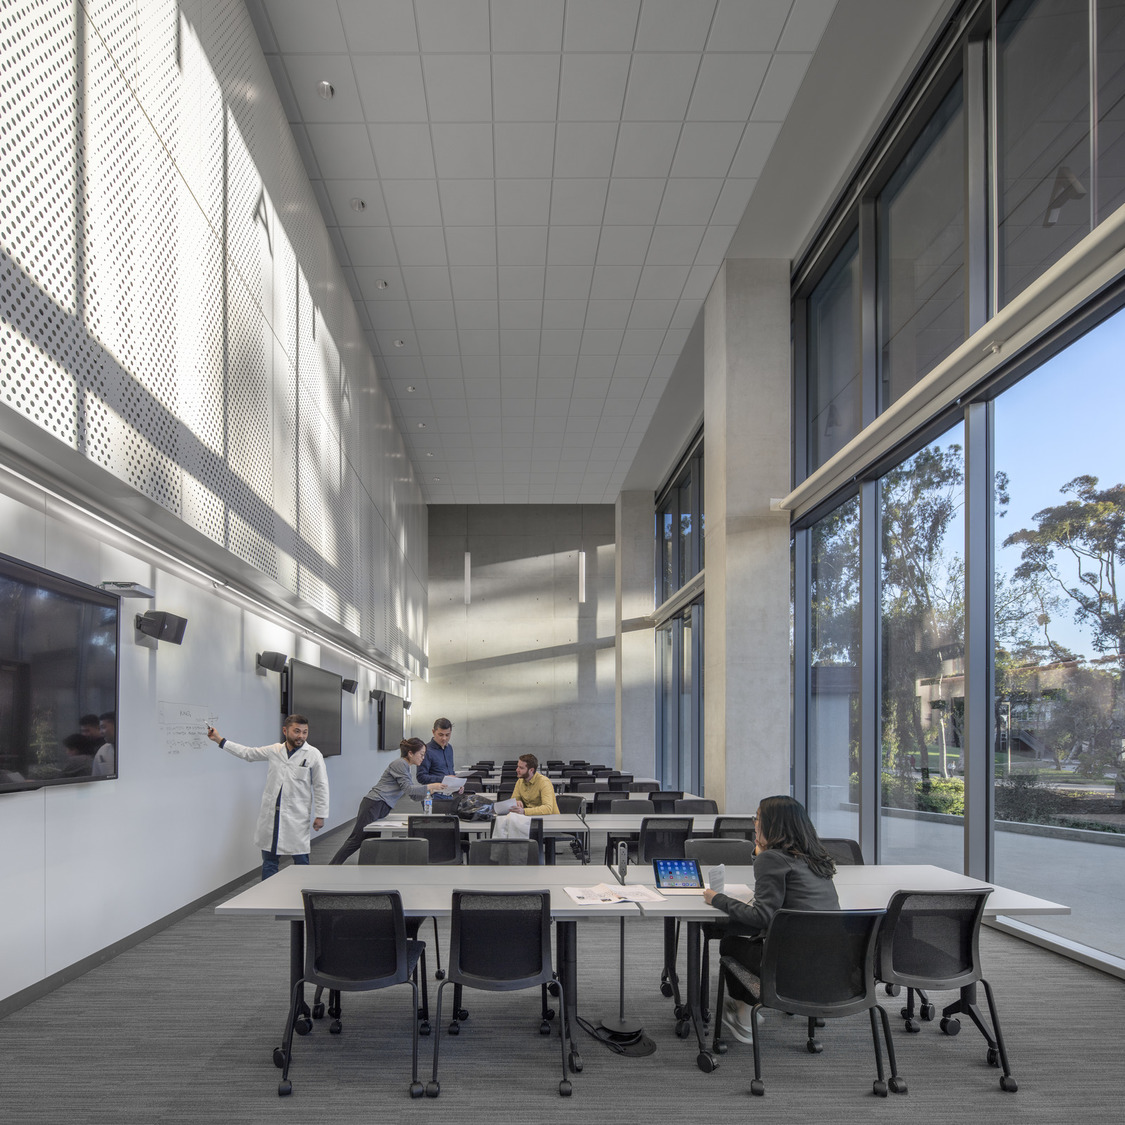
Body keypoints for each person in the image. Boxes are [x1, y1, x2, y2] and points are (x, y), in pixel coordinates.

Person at [702, 794, 839, 1044]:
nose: (754, 823)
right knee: (751, 939)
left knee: (731, 941)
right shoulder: (814, 857)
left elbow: (761, 916)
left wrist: (716, 899)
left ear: (774, 825)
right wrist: (760, 853)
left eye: (758, 818)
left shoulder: (772, 858)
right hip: (829, 965)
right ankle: (745, 1008)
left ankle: (743, 1015)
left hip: (788, 967)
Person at [207, 715, 329, 880]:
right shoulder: (274, 750)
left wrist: (320, 815)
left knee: (301, 861)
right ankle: (267, 899)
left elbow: (321, 785)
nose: (301, 736)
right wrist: (219, 740)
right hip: (272, 817)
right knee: (269, 862)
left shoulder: (313, 754)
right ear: (285, 731)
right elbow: (248, 753)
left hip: (296, 818)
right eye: (297, 731)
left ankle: (303, 898)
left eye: (305, 732)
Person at [329, 737, 445, 865]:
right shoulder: (400, 764)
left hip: (380, 806)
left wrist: (432, 791)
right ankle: (332, 866)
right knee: (356, 839)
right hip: (374, 804)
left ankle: (367, 869)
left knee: (372, 842)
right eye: (421, 754)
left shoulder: (406, 767)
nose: (423, 758)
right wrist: (430, 786)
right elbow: (408, 789)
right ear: (410, 753)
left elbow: (413, 796)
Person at [416, 717, 455, 785]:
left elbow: (451, 772)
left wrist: (457, 784)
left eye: (447, 735)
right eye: (441, 735)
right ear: (433, 732)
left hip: (450, 793)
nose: (444, 738)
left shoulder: (449, 748)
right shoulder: (426, 750)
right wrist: (443, 778)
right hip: (434, 794)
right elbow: (421, 777)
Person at [91, 710, 116, 777]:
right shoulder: (102, 751)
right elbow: (95, 778)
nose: (101, 732)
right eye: (100, 728)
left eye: (103, 727)